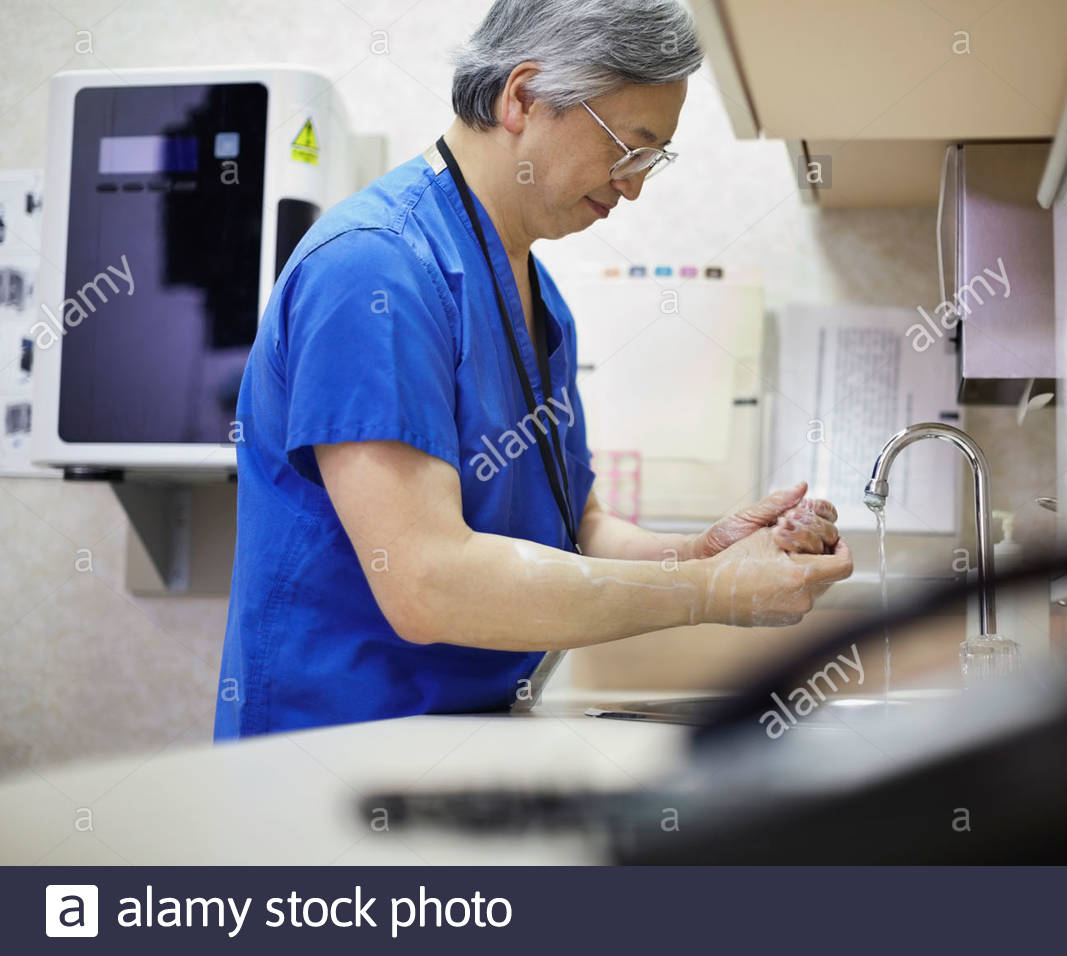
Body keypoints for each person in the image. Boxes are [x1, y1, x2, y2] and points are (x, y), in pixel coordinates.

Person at [214, 0, 852, 740]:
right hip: (332, 750)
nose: (635, 184)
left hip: (462, 737)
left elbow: (574, 528)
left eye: (653, 159)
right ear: (522, 96)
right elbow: (426, 581)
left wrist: (703, 550)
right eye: (629, 146)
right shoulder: (374, 271)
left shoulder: (535, 294)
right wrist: (709, 590)